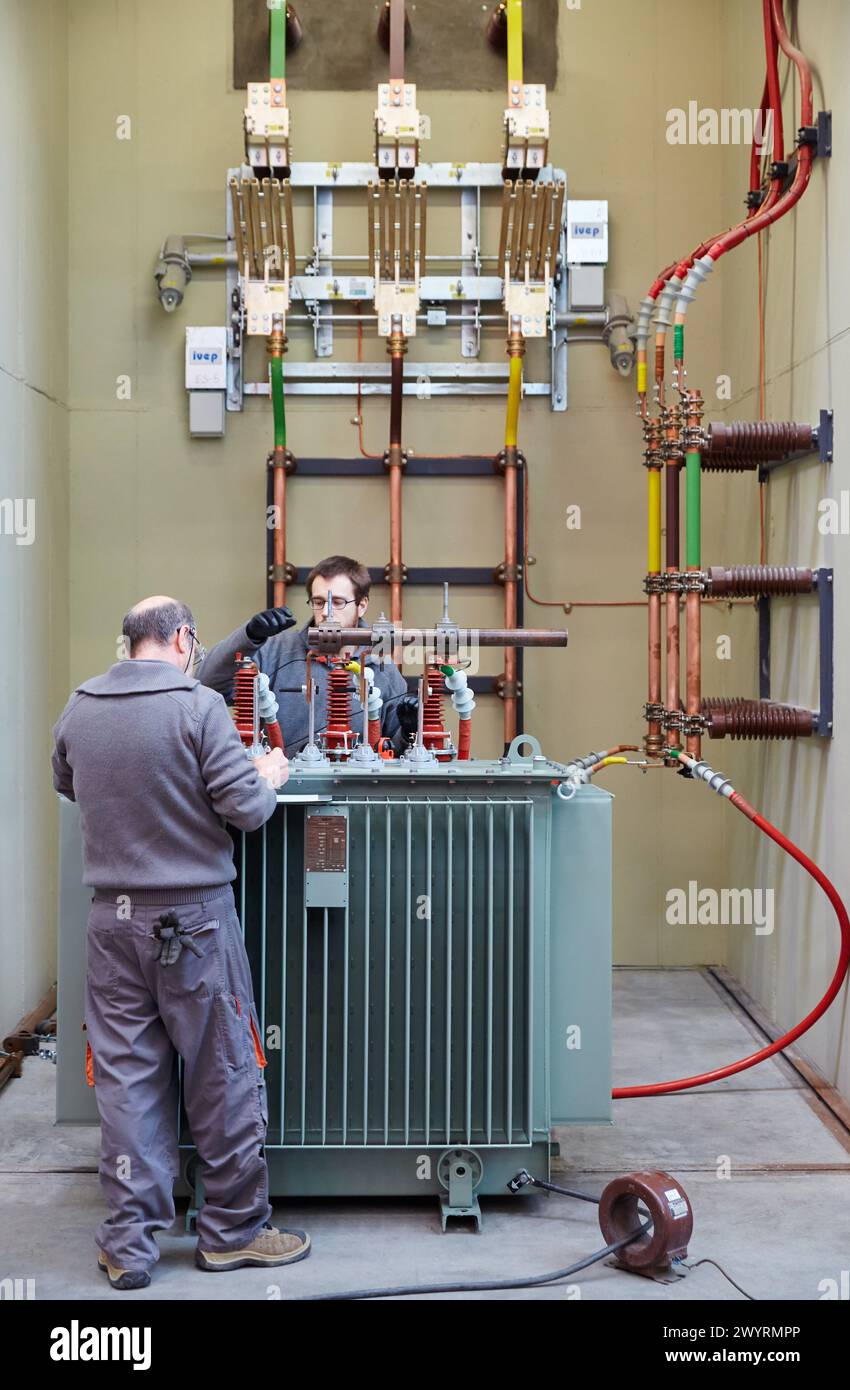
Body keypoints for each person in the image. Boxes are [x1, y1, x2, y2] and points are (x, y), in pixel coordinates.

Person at [51, 596, 311, 1290]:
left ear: (130, 640)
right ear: (184, 640)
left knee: (127, 1086)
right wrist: (269, 776)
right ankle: (231, 1234)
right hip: (194, 922)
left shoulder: (81, 706)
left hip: (112, 925)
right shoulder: (200, 711)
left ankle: (130, 1248)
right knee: (222, 1074)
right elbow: (249, 812)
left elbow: (66, 782)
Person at [198, 554, 418, 754]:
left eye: (338, 602)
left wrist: (408, 732)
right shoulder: (275, 651)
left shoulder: (383, 671)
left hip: (355, 795)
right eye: (319, 601)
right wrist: (248, 637)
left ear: (361, 605)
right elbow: (207, 685)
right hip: (283, 793)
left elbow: (394, 755)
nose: (325, 612)